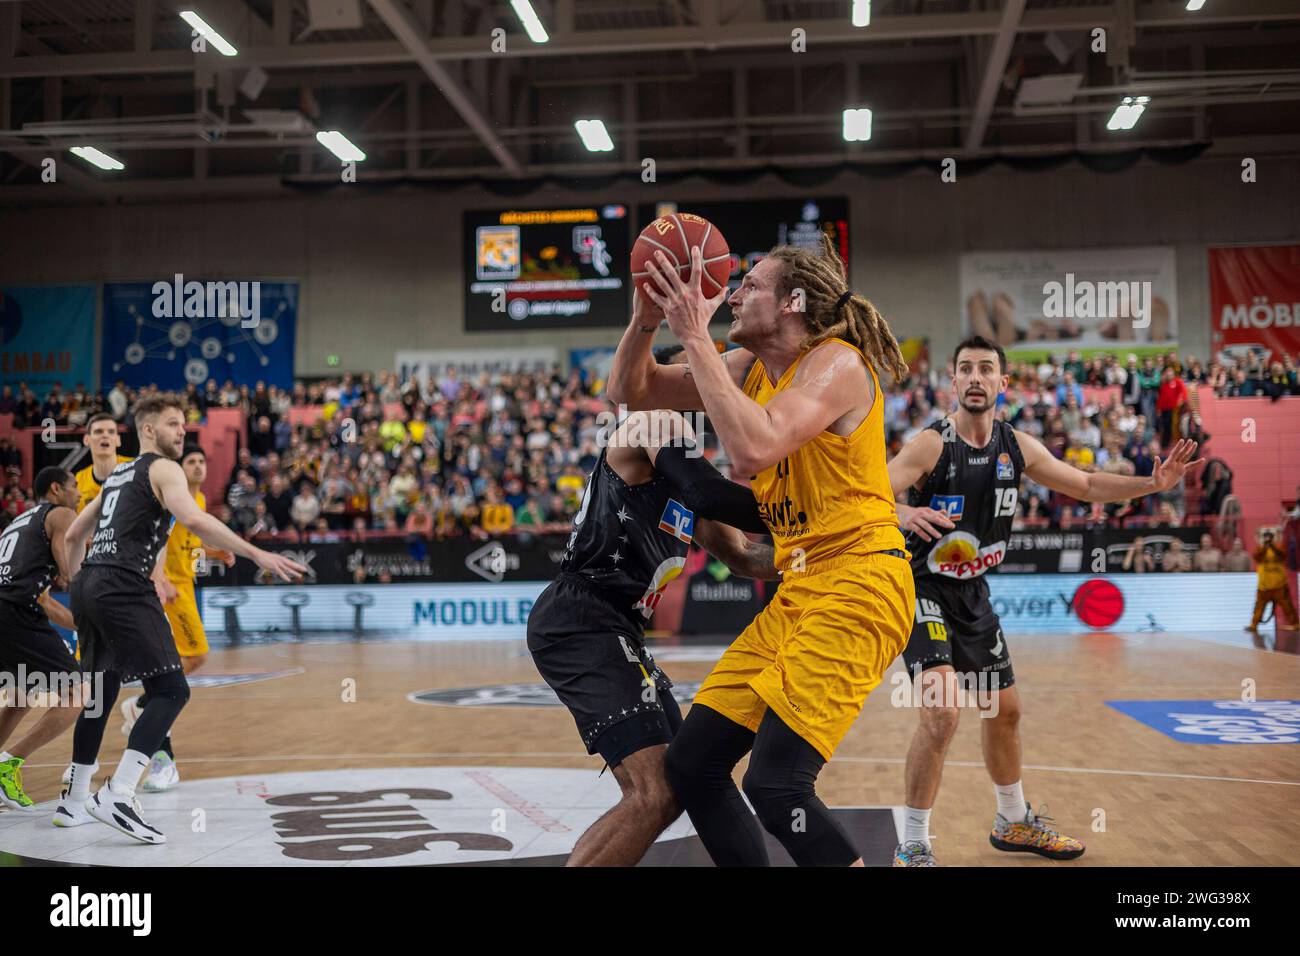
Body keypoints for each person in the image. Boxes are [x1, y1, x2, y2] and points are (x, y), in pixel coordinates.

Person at [610, 233, 914, 867]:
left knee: (777, 786)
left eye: (750, 284)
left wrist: (694, 334)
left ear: (794, 302)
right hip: (798, 587)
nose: (735, 293)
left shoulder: (837, 364)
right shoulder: (748, 369)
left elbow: (752, 452)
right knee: (691, 765)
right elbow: (632, 392)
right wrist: (645, 320)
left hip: (861, 582)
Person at [887, 335, 1201, 867]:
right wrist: (901, 513)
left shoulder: (1018, 446)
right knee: (942, 712)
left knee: (1005, 712)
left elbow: (1085, 484)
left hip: (972, 593)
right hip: (921, 589)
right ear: (953, 380)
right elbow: (870, 491)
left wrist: (1153, 483)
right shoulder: (930, 445)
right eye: (966, 369)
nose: (976, 377)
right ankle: (913, 841)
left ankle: (1013, 822)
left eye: (987, 369)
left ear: (1004, 383)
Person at [528, 398, 776, 866]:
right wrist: (814, 512)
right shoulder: (648, 424)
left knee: (676, 780)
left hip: (618, 629)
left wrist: (819, 555)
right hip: (583, 618)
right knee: (655, 791)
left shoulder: (689, 489)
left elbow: (744, 557)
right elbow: (712, 492)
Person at [58, 396, 306, 843]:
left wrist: (79, 587)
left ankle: (73, 801)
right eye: (174, 424)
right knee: (172, 690)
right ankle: (120, 791)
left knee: (101, 692)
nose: (182, 432)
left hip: (91, 583)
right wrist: (257, 553)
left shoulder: (116, 474)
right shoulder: (162, 468)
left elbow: (76, 534)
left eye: (184, 424)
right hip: (124, 586)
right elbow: (193, 517)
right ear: (148, 430)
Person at [119, 445, 236, 792]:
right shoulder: (174, 498)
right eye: (191, 461)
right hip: (169, 588)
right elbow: (160, 540)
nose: (198, 466)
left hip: (184, 584)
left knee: (190, 658)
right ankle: (144, 708)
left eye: (202, 461)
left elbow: (189, 543)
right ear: (180, 469)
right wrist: (161, 577)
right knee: (191, 657)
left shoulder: (197, 504)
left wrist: (214, 551)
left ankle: (141, 706)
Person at [0, 468, 85, 810]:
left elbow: (46, 601)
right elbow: (69, 573)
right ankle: (9, 764)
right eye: (74, 486)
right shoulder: (62, 514)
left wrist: (85, 624)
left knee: (21, 694)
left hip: (10, 610)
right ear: (55, 489)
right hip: (14, 612)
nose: (78, 494)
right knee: (78, 693)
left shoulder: (20, 522)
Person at [1246, 529, 1299, 634]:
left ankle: (1296, 624)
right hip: (1264, 586)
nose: (1267, 540)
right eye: (1265, 538)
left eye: (1269, 538)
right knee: (1259, 607)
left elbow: (1282, 555)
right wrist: (1265, 547)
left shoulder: (1278, 548)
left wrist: (1272, 546)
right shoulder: (1260, 549)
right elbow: (1257, 557)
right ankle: (1254, 625)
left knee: (1288, 606)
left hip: (1279, 585)